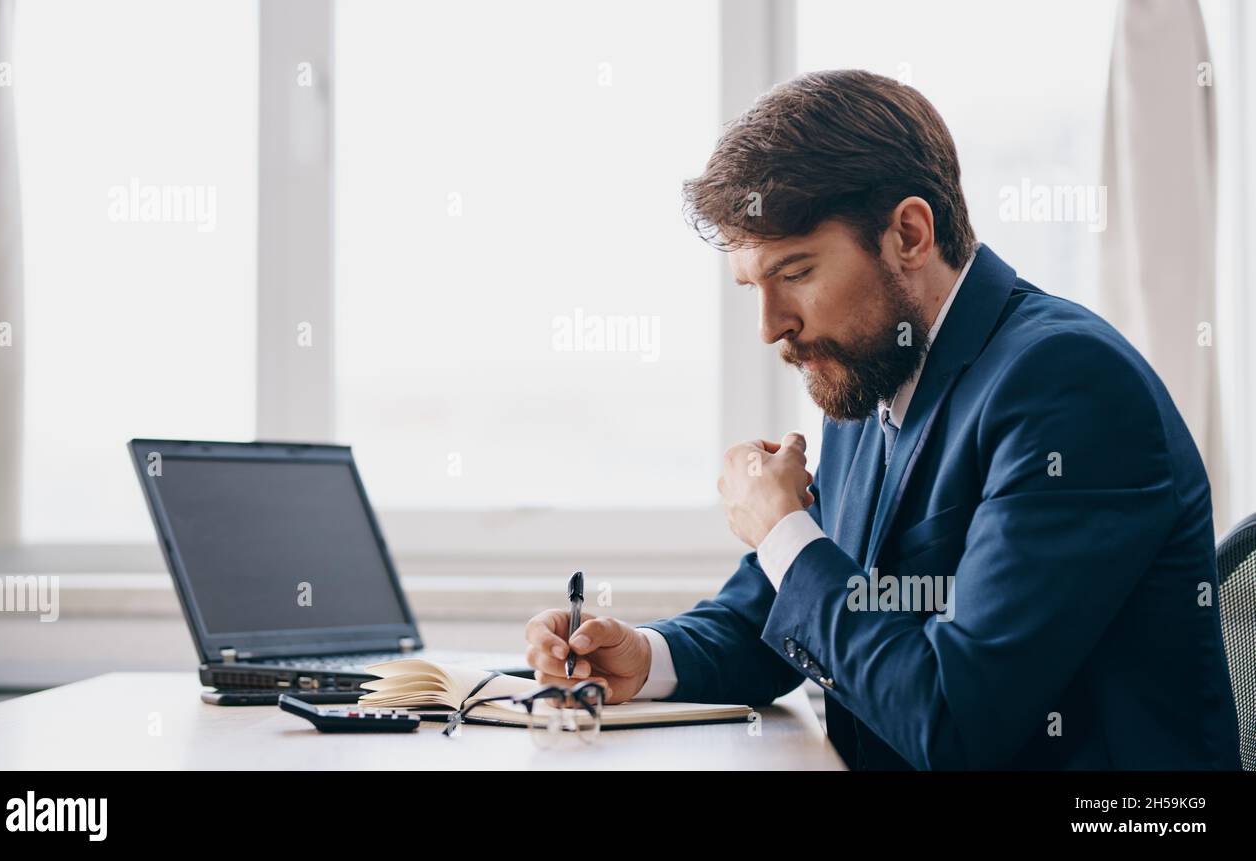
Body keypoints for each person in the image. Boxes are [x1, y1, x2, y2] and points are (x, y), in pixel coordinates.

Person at [523, 70, 1241, 770]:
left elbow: (952, 716)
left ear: (909, 233)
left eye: (796, 273)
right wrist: (643, 658)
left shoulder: (1071, 388)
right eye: (754, 287)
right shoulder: (871, 379)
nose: (772, 326)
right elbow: (780, 613)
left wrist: (781, 529)